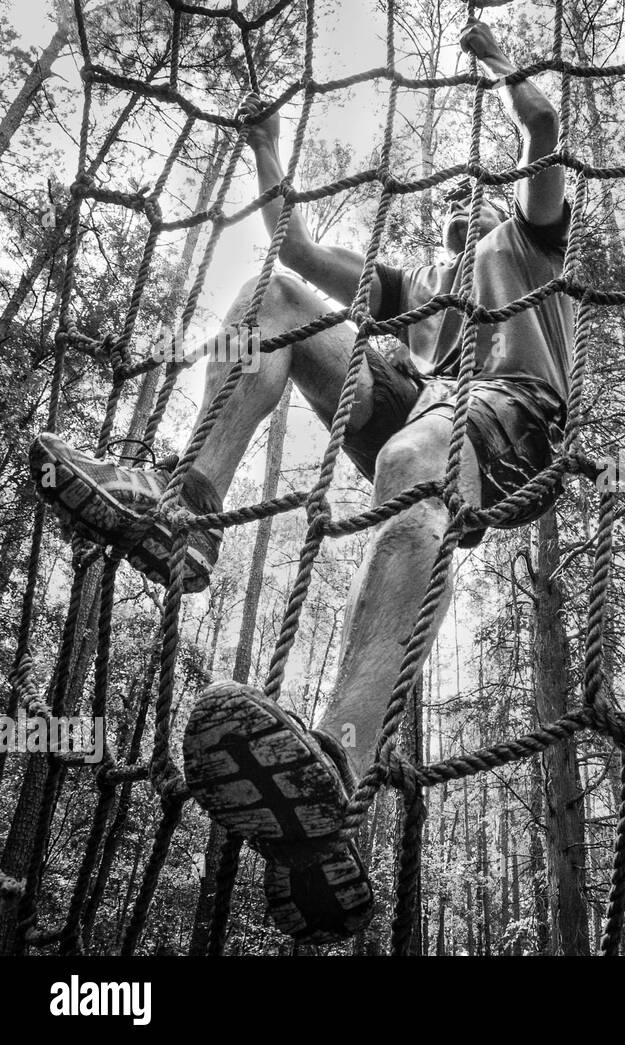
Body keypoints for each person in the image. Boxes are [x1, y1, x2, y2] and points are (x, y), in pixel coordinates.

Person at [29, 19, 571, 944]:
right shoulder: (418, 290)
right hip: (426, 397)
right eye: (439, 201)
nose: (451, 208)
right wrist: (265, 145)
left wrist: (495, 62)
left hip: (514, 416)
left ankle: (339, 764)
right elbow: (296, 241)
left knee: (410, 465)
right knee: (271, 296)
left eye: (463, 199)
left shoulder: (525, 245)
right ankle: (184, 508)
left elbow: (544, 130)